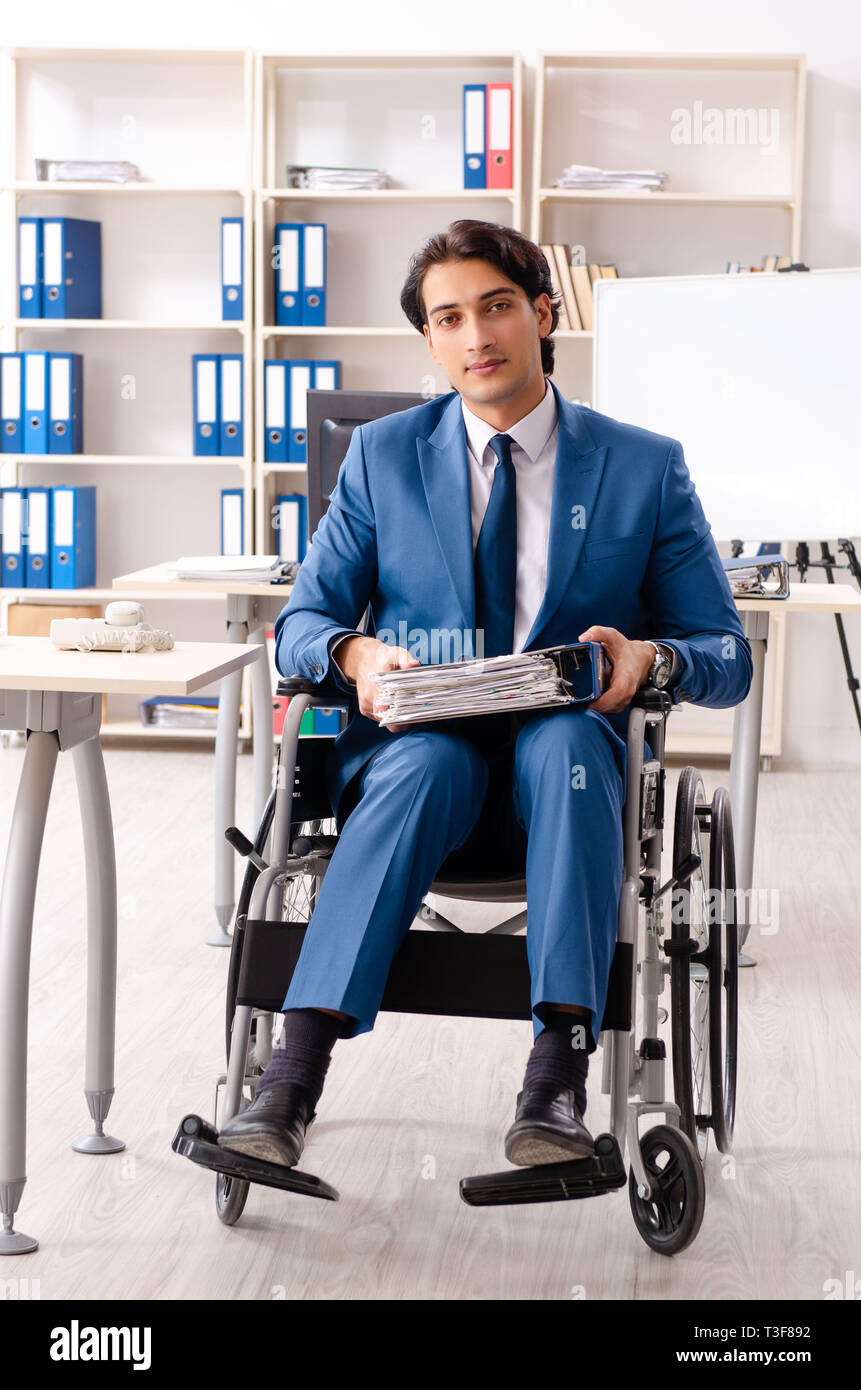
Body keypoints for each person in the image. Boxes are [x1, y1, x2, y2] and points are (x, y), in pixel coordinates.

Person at [218, 218, 753, 1171]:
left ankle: (554, 1081)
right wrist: (355, 656)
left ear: (543, 314)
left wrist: (648, 662)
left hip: (571, 780)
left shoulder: (641, 465)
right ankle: (289, 1080)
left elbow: (723, 652)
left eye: (497, 307)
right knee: (424, 763)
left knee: (567, 746)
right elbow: (297, 628)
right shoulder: (383, 458)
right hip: (420, 772)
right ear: (429, 340)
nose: (477, 336)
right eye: (450, 317)